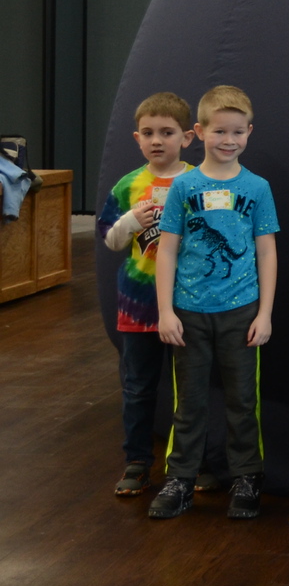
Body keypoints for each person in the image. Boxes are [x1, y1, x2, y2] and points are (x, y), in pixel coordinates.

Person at [147, 85, 279, 520]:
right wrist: (165, 310)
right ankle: (180, 478)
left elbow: (265, 251)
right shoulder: (183, 186)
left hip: (242, 312)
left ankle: (247, 476)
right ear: (199, 131)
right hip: (188, 312)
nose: (228, 140)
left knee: (244, 400)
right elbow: (166, 249)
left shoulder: (257, 187)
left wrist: (265, 313)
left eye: (237, 132)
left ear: (249, 133)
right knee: (189, 400)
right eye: (219, 131)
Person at [98, 91, 194, 498]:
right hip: (139, 304)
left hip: (190, 302)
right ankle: (137, 461)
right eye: (149, 133)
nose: (158, 141)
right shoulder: (129, 185)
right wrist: (130, 221)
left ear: (187, 137)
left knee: (190, 387)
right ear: (137, 138)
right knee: (138, 386)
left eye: (167, 132)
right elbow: (108, 239)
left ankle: (192, 462)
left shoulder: (198, 180)